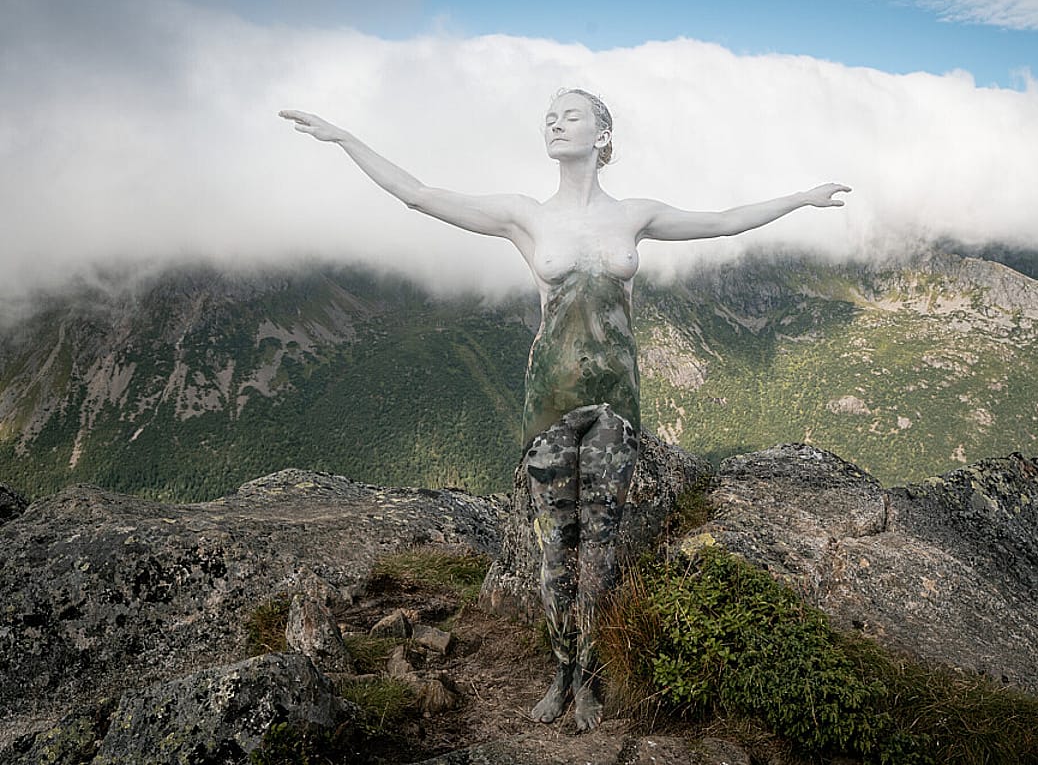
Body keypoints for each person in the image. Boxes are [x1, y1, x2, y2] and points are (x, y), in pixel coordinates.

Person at [280, 90, 849, 731]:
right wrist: (346, 138)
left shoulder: (635, 214)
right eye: (548, 117)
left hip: (616, 404)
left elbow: (724, 221)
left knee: (601, 549)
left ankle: (594, 681)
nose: (554, 123)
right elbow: (419, 195)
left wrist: (800, 198)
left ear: (602, 135)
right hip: (549, 402)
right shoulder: (524, 216)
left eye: (570, 115)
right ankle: (562, 673)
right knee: (555, 551)